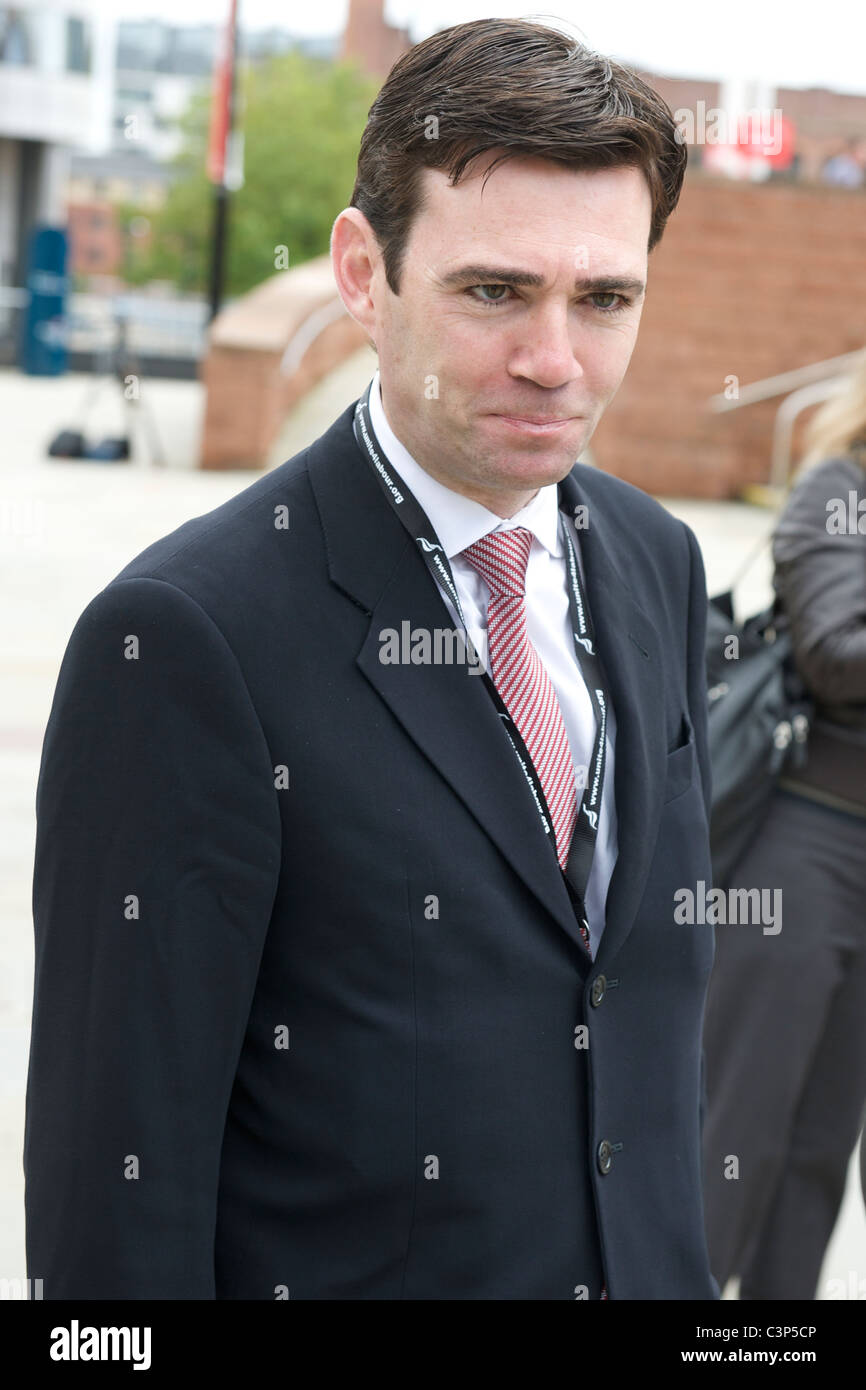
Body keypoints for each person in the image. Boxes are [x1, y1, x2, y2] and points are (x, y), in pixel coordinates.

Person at [24, 18, 718, 1300]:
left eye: (604, 299)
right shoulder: (182, 638)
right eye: (493, 291)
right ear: (360, 271)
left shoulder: (657, 560)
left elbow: (631, 1006)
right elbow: (113, 1185)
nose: (554, 361)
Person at [702, 352, 866, 1299]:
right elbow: (839, 656)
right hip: (807, 849)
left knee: (817, 1150)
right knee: (736, 1134)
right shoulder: (837, 491)